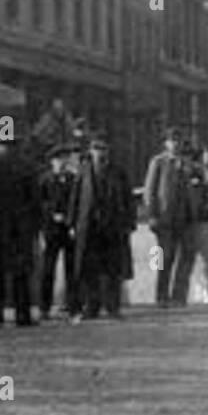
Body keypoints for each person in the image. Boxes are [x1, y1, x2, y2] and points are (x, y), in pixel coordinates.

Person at [70, 133, 135, 320]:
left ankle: (113, 307)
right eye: (96, 149)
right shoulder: (84, 170)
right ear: (91, 151)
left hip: (112, 227)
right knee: (90, 269)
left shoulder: (118, 171)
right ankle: (92, 306)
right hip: (90, 227)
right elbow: (75, 198)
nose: (100, 153)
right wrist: (72, 222)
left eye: (103, 149)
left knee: (112, 270)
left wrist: (129, 222)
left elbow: (128, 198)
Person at [0, 133, 40, 328]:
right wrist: (34, 226)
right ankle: (22, 316)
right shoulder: (26, 166)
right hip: (20, 227)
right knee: (20, 274)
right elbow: (35, 199)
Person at [143, 128, 196, 308]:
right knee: (162, 258)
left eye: (178, 140)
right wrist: (151, 215)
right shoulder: (158, 162)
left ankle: (178, 295)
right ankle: (161, 296)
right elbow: (149, 191)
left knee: (187, 254)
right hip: (164, 218)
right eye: (172, 140)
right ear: (165, 143)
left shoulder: (186, 163)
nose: (176, 144)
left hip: (184, 218)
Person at [38, 144, 79, 321]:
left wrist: (70, 220)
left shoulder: (73, 179)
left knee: (71, 269)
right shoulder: (45, 180)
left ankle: (72, 305)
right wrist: (50, 214)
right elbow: (38, 203)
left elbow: (76, 202)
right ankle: (44, 306)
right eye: (58, 159)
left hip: (68, 229)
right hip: (51, 229)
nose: (61, 163)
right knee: (48, 269)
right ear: (51, 162)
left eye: (64, 159)